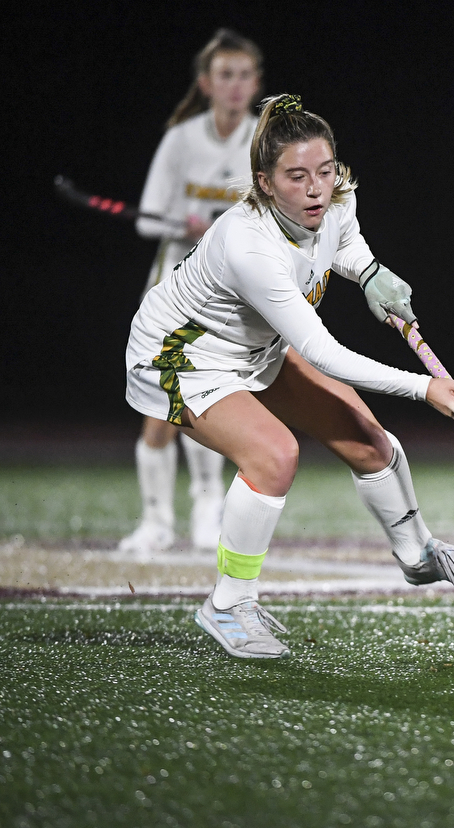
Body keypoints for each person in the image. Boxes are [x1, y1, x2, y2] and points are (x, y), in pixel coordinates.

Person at [124, 93, 454, 659]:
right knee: (274, 455)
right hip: (180, 356)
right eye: (296, 177)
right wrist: (423, 387)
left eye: (324, 171)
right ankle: (228, 604)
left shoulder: (336, 201)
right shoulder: (249, 243)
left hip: (255, 347)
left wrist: (372, 274)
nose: (317, 188)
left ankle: (419, 554)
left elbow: (343, 244)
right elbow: (323, 352)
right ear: (265, 182)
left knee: (371, 441)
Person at [121, 29, 263, 555]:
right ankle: (156, 520)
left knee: (212, 395)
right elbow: (145, 219)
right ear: (206, 83)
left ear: (255, 84)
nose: (235, 86)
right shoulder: (181, 139)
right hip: (172, 290)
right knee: (160, 404)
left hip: (227, 296)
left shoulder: (259, 141)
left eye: (245, 76)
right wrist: (182, 224)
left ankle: (207, 507)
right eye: (225, 75)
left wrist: (227, 229)